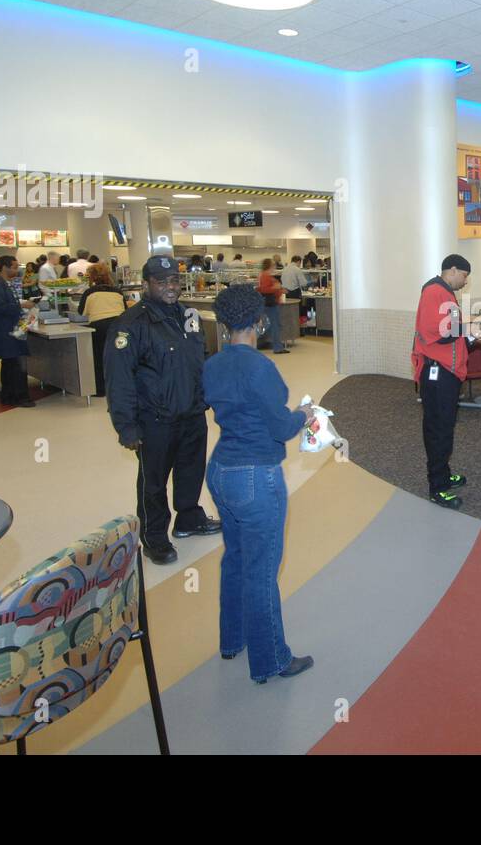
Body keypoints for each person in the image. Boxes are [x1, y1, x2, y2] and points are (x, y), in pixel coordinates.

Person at [203, 285, 316, 684]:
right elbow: (281, 427)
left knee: (234, 558)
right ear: (258, 321)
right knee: (261, 570)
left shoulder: (213, 364)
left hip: (220, 471)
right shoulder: (260, 367)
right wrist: (304, 413)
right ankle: (271, 660)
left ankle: (232, 639)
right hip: (255, 476)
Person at [105, 254, 221, 565]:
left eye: (174, 281)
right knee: (153, 482)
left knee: (191, 471)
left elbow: (202, 360)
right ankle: (154, 537)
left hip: (192, 414)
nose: (170, 287)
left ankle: (189, 518)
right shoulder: (130, 325)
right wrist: (126, 427)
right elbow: (119, 380)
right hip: (155, 420)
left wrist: (210, 399)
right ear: (146, 285)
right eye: (161, 282)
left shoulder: (189, 316)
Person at [411, 255, 473, 508]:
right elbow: (435, 332)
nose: (465, 281)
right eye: (465, 276)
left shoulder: (443, 291)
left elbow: (450, 330)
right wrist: (469, 331)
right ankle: (438, 487)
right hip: (437, 373)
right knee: (438, 430)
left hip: (446, 372)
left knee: (445, 427)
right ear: (454, 270)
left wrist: (468, 334)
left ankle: (444, 475)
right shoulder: (434, 292)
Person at [0, 256, 36, 407]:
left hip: (12, 329)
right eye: (14, 267)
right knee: (17, 366)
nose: (17, 270)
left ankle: (9, 397)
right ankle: (21, 397)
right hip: (6, 331)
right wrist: (22, 306)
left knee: (10, 365)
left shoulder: (6, 285)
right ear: (4, 267)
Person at [79, 263, 125, 397]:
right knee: (118, 357)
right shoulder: (117, 291)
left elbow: (82, 312)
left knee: (98, 357)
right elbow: (125, 310)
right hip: (118, 325)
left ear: (92, 277)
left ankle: (100, 389)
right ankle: (120, 387)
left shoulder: (89, 292)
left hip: (98, 326)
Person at [257, 258, 288, 353]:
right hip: (271, 304)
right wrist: (276, 288)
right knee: (274, 325)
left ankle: (272, 344)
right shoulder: (266, 276)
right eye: (273, 264)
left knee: (271, 325)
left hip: (269, 303)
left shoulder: (264, 275)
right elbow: (264, 289)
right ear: (270, 265)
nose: (274, 266)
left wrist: (279, 290)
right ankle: (277, 347)